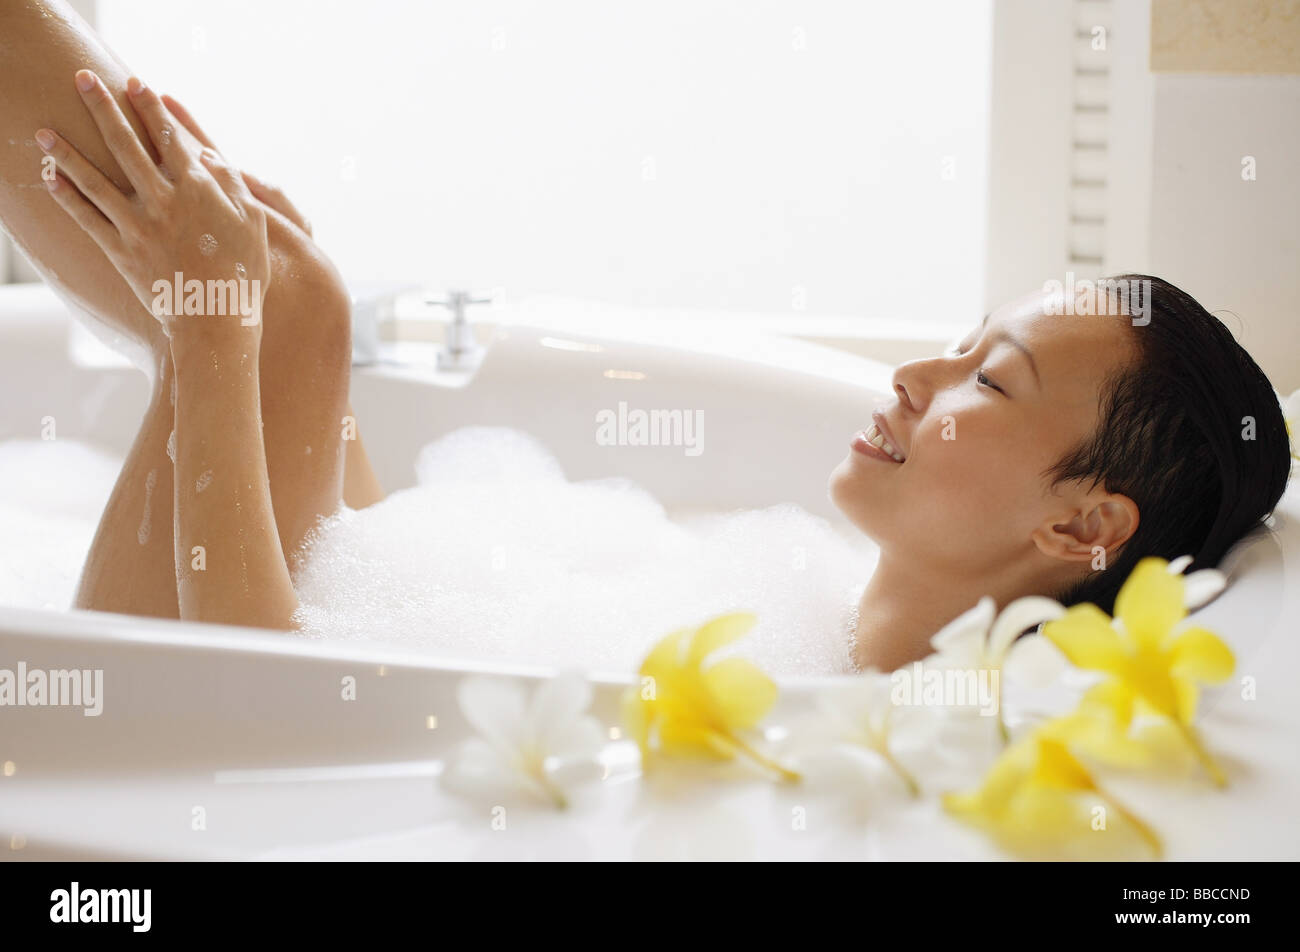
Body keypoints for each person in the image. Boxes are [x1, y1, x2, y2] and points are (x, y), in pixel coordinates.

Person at [4, 2, 1290, 670]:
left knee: (249, 311)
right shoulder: (779, 607)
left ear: (1082, 527)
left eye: (987, 381)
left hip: (153, 793)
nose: (912, 375)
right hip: (219, 681)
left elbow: (253, 707)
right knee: (302, 293)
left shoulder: (842, 721)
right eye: (959, 345)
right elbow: (365, 620)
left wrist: (213, 338)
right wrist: (283, 326)